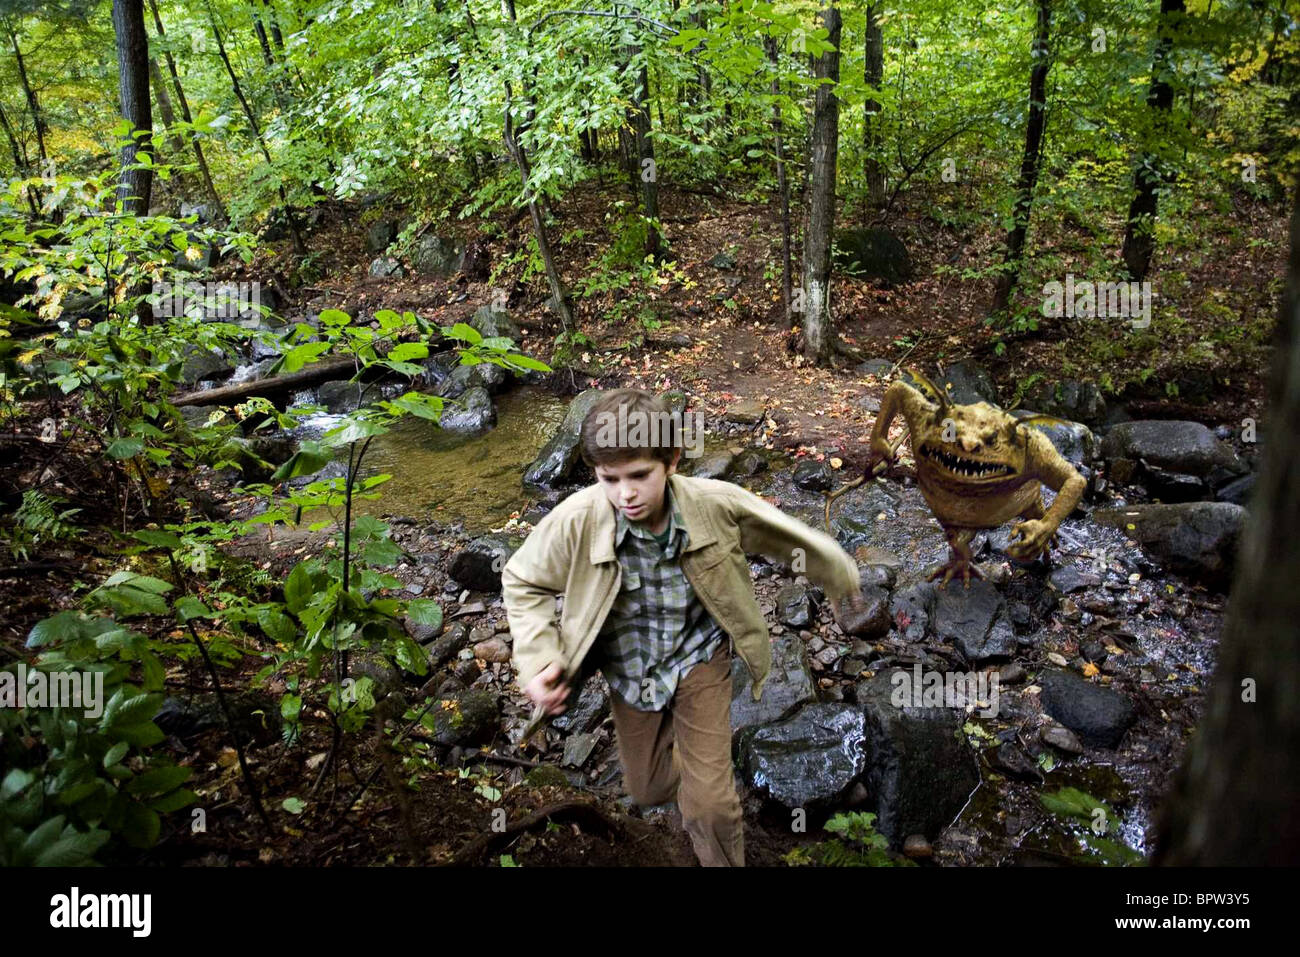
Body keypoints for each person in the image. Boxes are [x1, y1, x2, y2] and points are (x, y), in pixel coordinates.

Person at [502, 388, 867, 866]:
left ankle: (714, 829)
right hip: (630, 669)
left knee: (711, 805)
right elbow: (522, 578)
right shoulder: (577, 520)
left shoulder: (713, 505)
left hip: (699, 659)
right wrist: (539, 658)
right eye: (609, 478)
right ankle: (694, 773)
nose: (625, 493)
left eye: (639, 476)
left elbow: (781, 534)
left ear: (671, 461)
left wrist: (840, 574)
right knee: (647, 788)